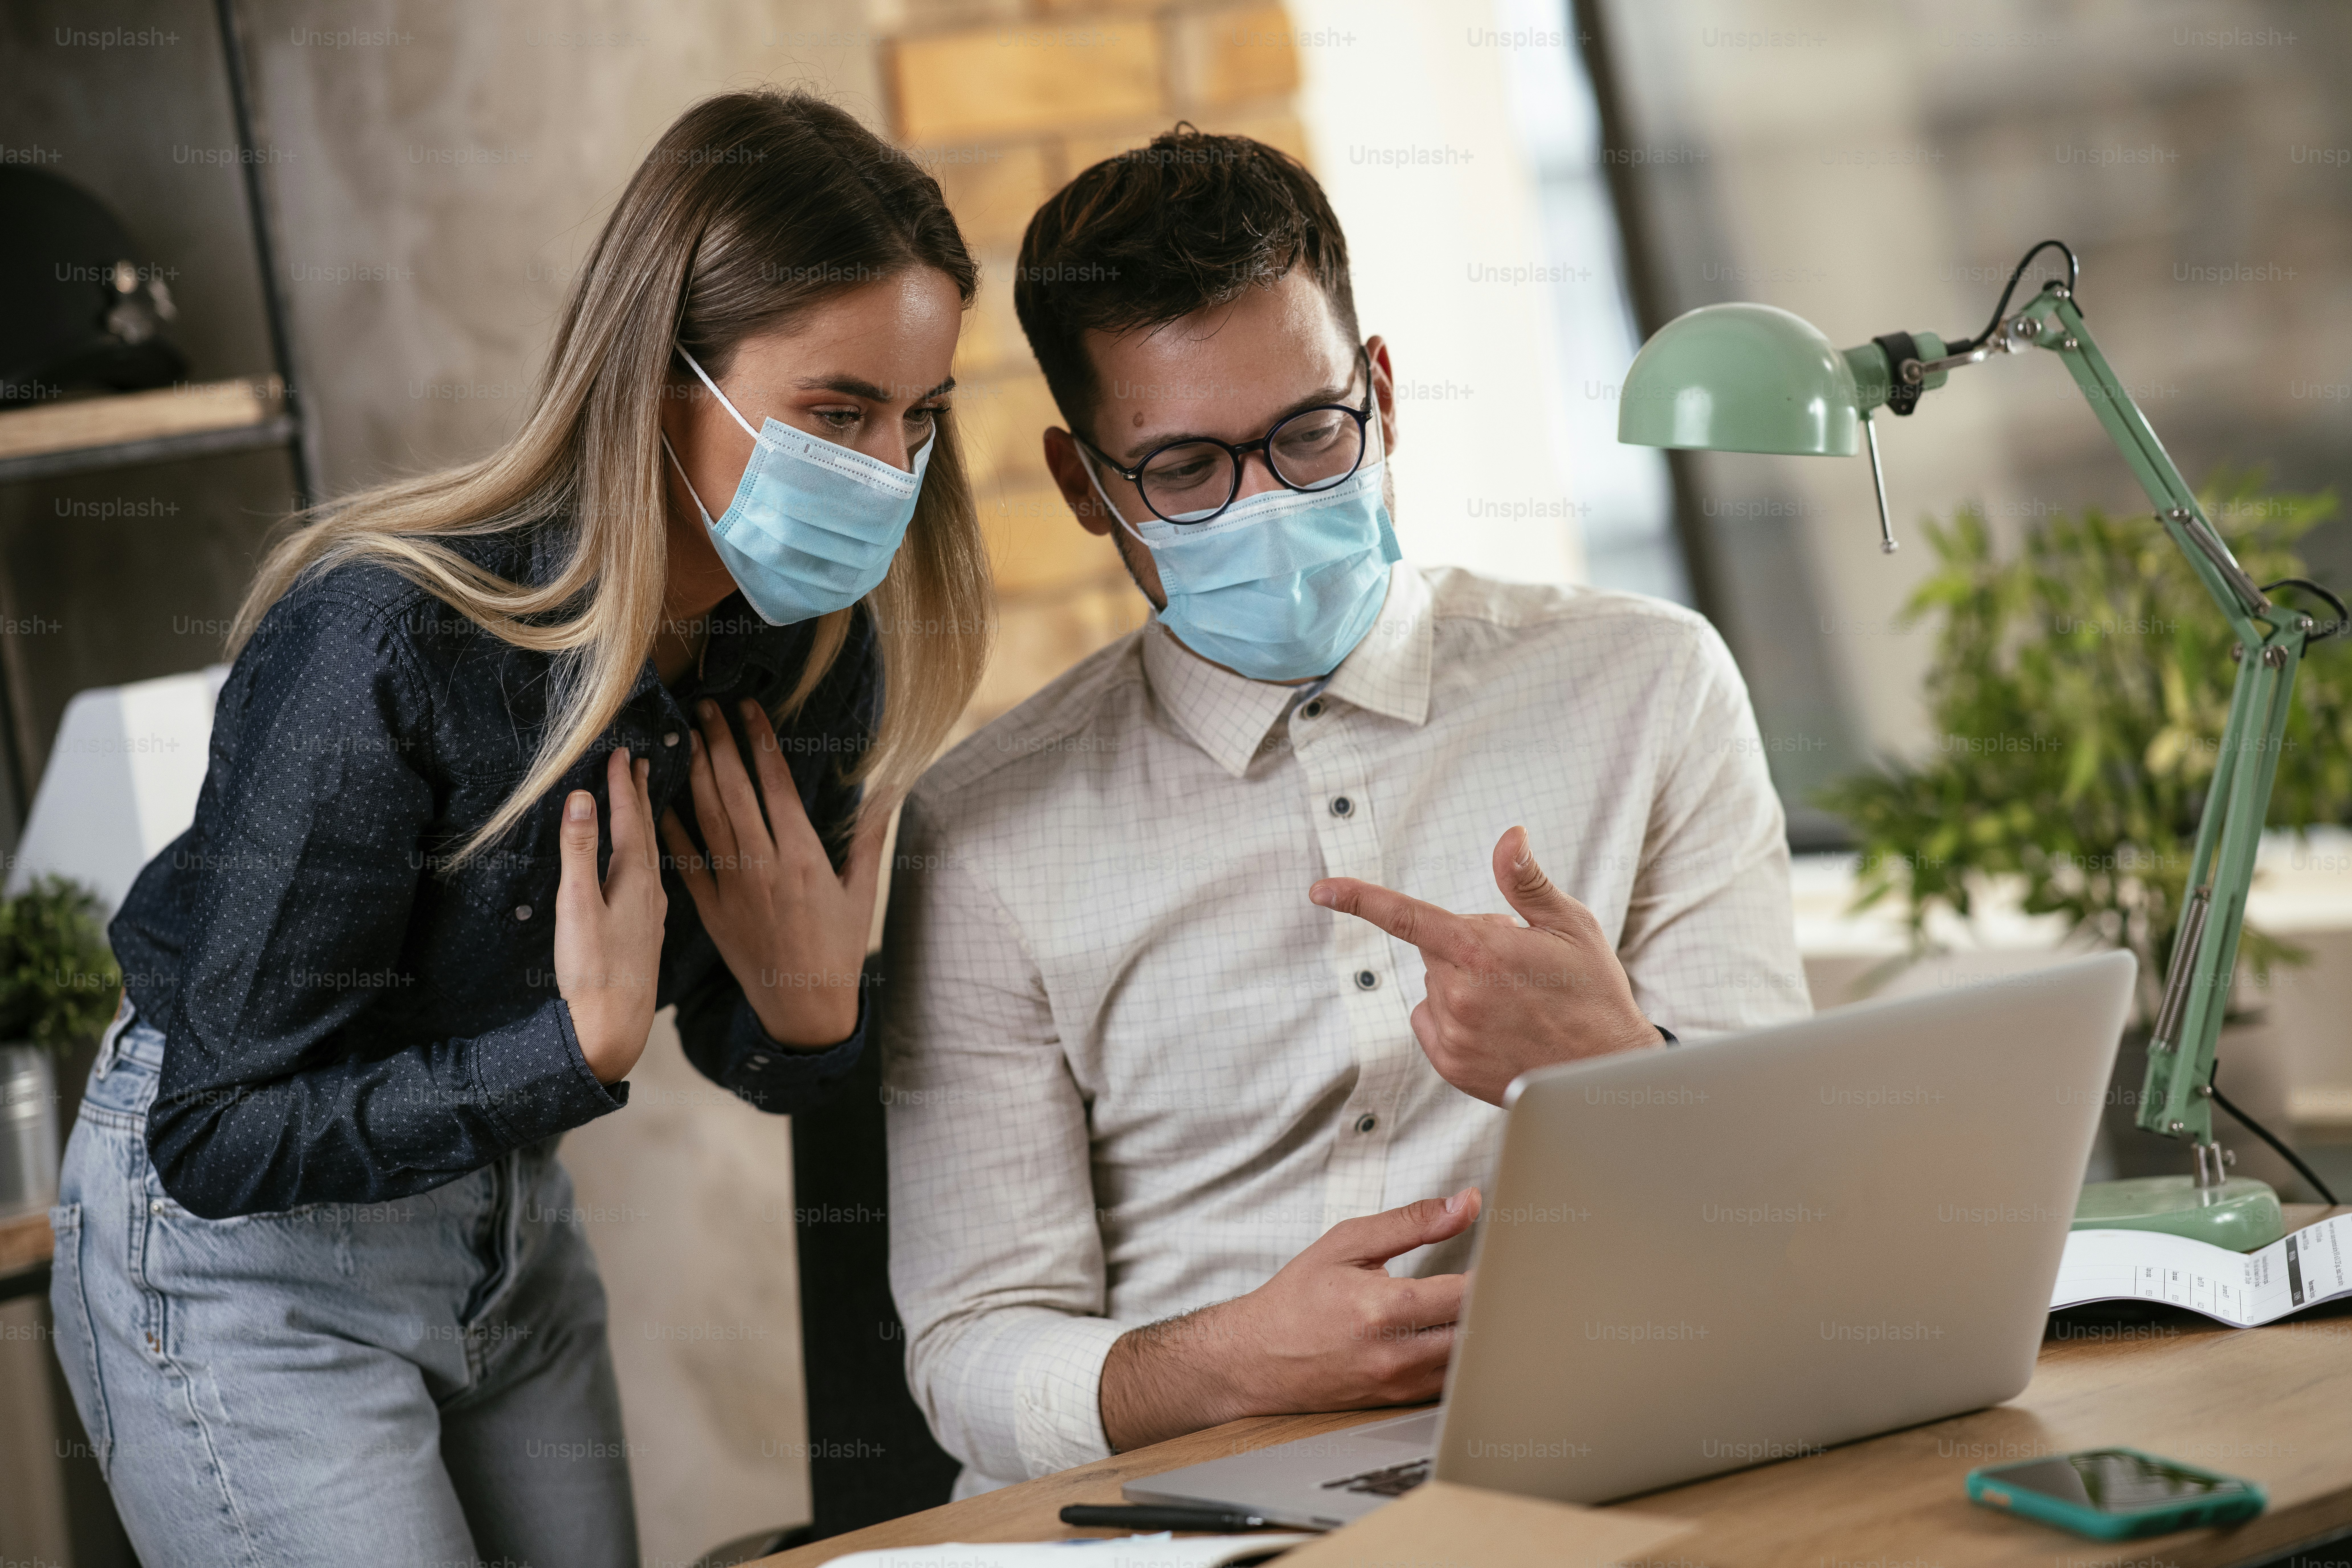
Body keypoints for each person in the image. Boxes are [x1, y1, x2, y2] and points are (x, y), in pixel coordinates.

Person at [49, 90, 990, 1567]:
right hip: (249, 1260)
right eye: (836, 413)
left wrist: (812, 1023)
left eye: (920, 416)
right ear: (663, 375)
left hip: (506, 1234)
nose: (888, 471)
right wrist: (564, 1056)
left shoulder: (810, 651)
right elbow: (214, 1135)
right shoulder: (384, 641)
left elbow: (745, 1040)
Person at [880, 126, 1812, 1496]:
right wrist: (1227, 1362)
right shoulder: (984, 832)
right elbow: (969, 1349)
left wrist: (1626, 1061)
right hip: (1189, 1505)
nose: (1267, 506)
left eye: (1311, 434)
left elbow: (1793, 1214)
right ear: (1085, 486)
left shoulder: (1650, 686)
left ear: (1377, 390)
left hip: (1597, 1458)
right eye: (1187, 471)